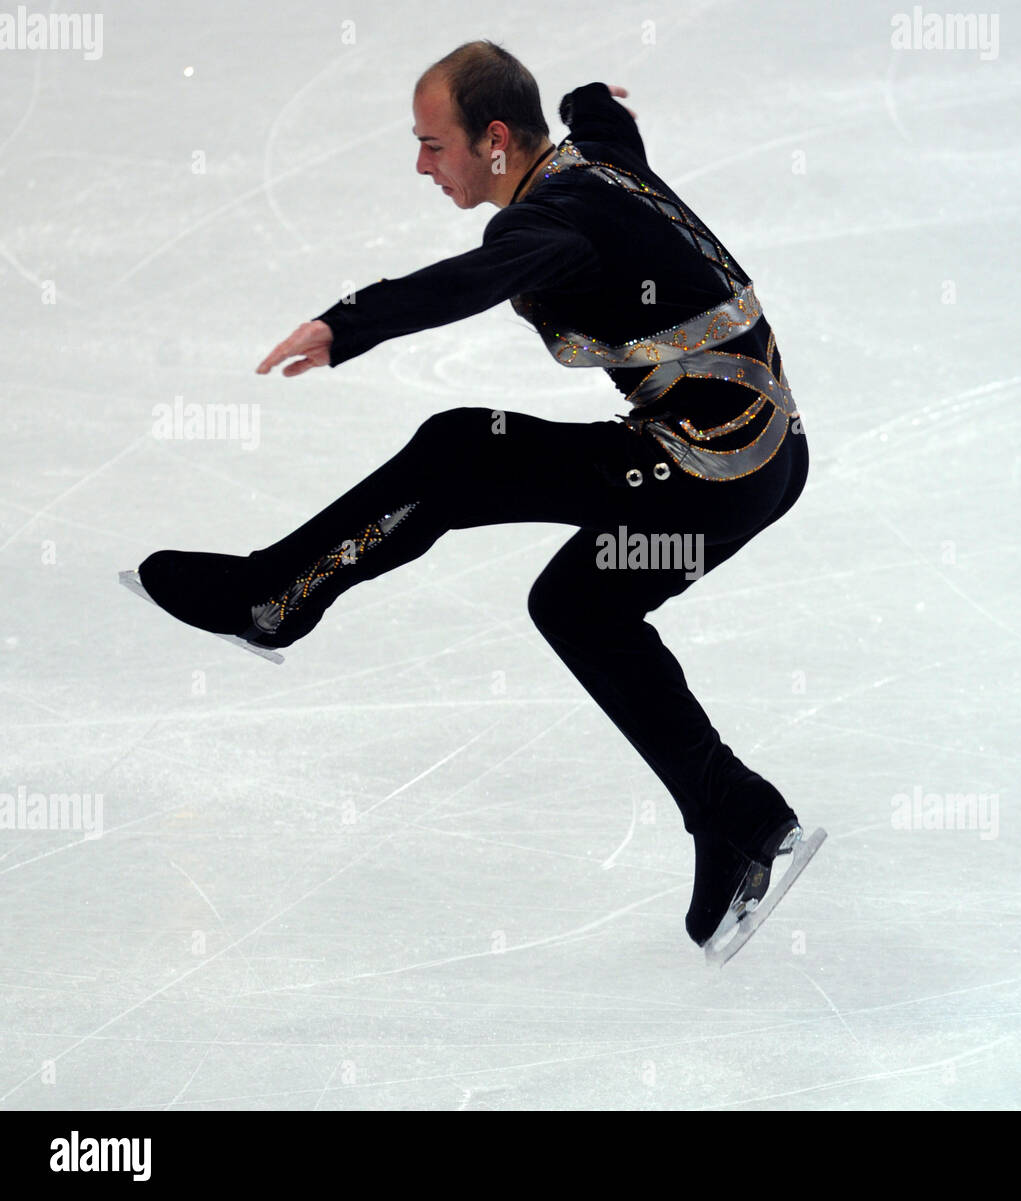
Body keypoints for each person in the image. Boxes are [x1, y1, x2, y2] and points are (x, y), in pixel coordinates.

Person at [134, 40, 813, 950]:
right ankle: (741, 819)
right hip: (750, 454)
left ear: (496, 140)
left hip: (707, 468)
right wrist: (588, 98)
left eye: (433, 144)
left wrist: (349, 323)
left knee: (485, 486)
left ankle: (272, 598)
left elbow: (464, 283)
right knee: (560, 579)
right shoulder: (591, 160)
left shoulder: (548, 226)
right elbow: (604, 123)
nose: (422, 166)